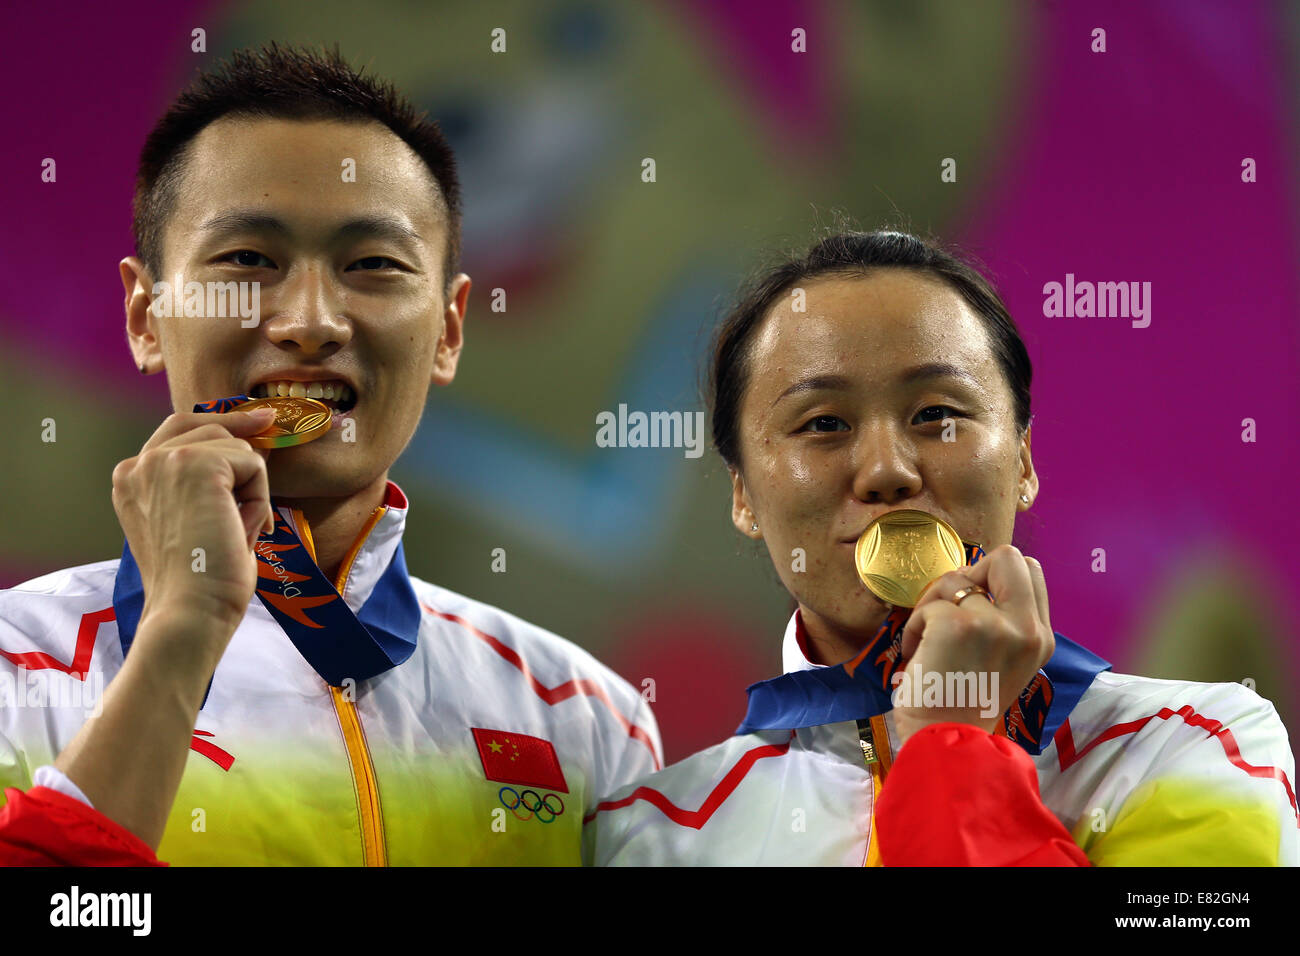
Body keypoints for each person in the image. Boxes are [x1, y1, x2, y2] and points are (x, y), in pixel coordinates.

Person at [0, 42, 660, 866]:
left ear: (449, 331)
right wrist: (181, 631)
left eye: (373, 265)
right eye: (247, 260)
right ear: (144, 316)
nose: (311, 321)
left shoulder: (580, 714)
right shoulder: (14, 668)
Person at [582, 228, 1297, 866]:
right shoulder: (648, 837)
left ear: (1022, 462)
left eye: (937, 414)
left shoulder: (1198, 748)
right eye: (823, 423)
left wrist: (946, 746)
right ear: (742, 495)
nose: (889, 469)